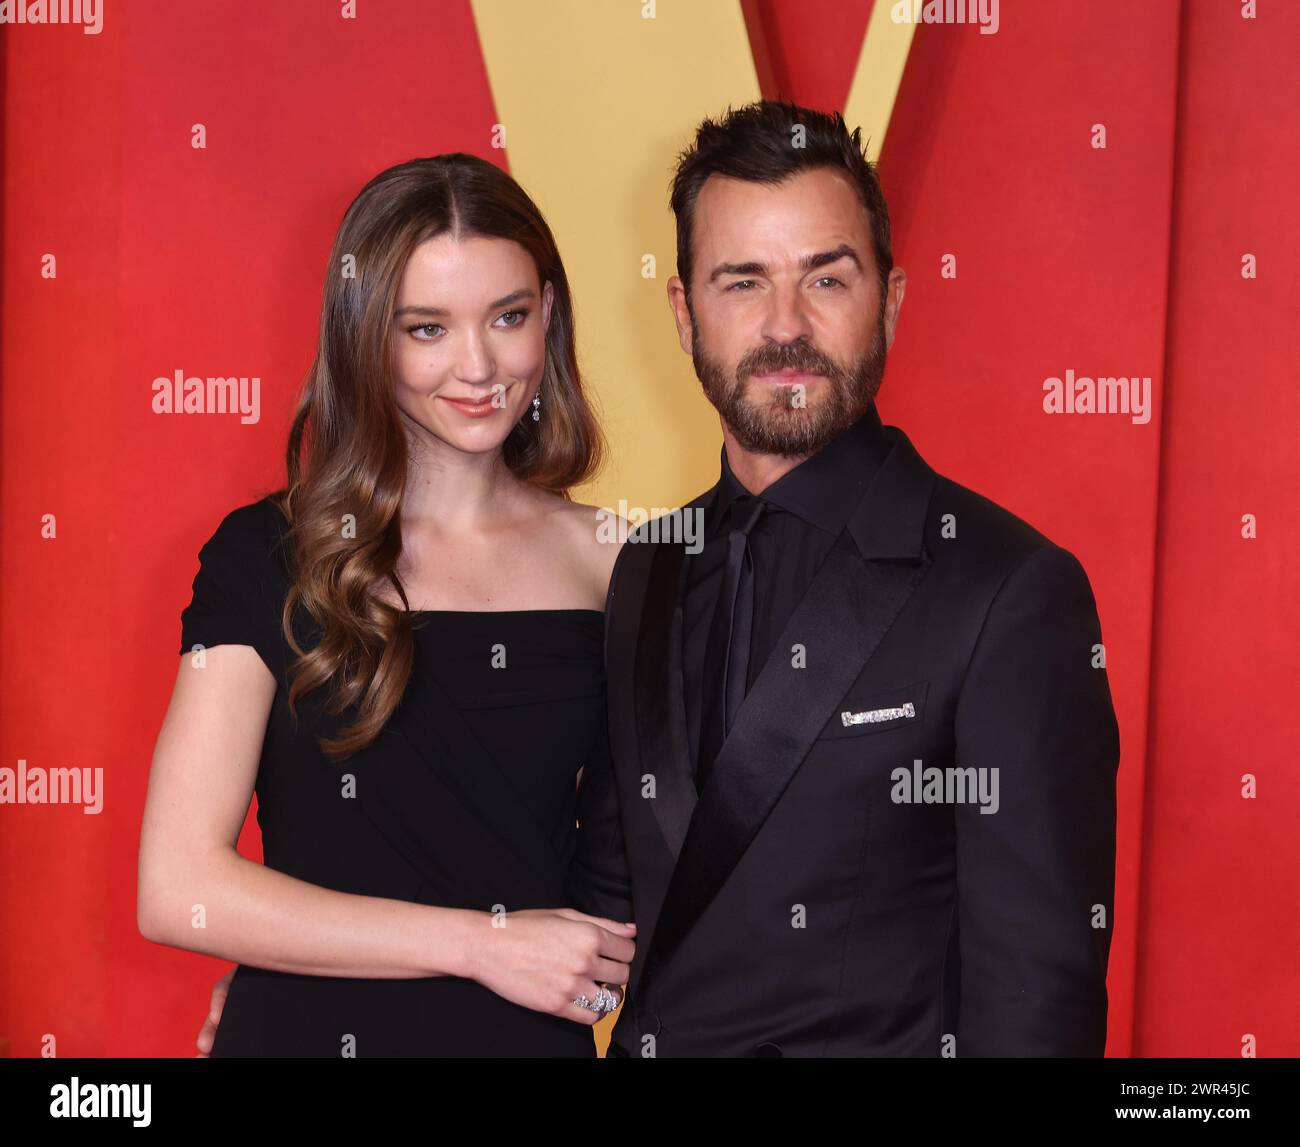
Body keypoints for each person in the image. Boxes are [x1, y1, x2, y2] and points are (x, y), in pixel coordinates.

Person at [570, 100, 1121, 1057]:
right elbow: (596, 923)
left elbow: (1036, 1001)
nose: (786, 325)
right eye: (742, 281)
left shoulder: (1008, 592)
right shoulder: (646, 569)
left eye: (827, 277)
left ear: (893, 300)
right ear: (682, 310)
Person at [138, 153, 636, 1058]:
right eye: (426, 328)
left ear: (549, 316)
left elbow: (637, 868)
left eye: (508, 317)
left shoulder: (618, 562)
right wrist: (480, 945)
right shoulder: (267, 553)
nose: (478, 365)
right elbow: (177, 886)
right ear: (366, 336)